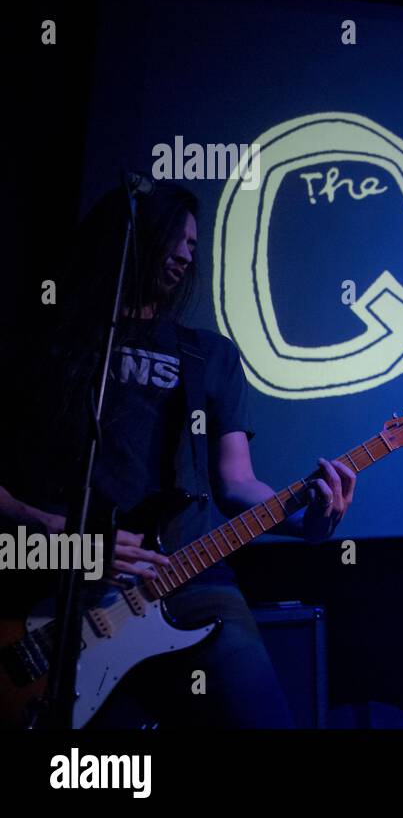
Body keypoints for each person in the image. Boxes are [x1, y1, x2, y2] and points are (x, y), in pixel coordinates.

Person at [0, 181, 355, 728]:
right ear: (137, 230)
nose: (190, 253)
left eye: (195, 243)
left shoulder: (208, 354)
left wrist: (309, 520)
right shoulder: (48, 343)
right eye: (179, 237)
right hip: (67, 587)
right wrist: (53, 530)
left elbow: (237, 484)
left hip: (193, 581)